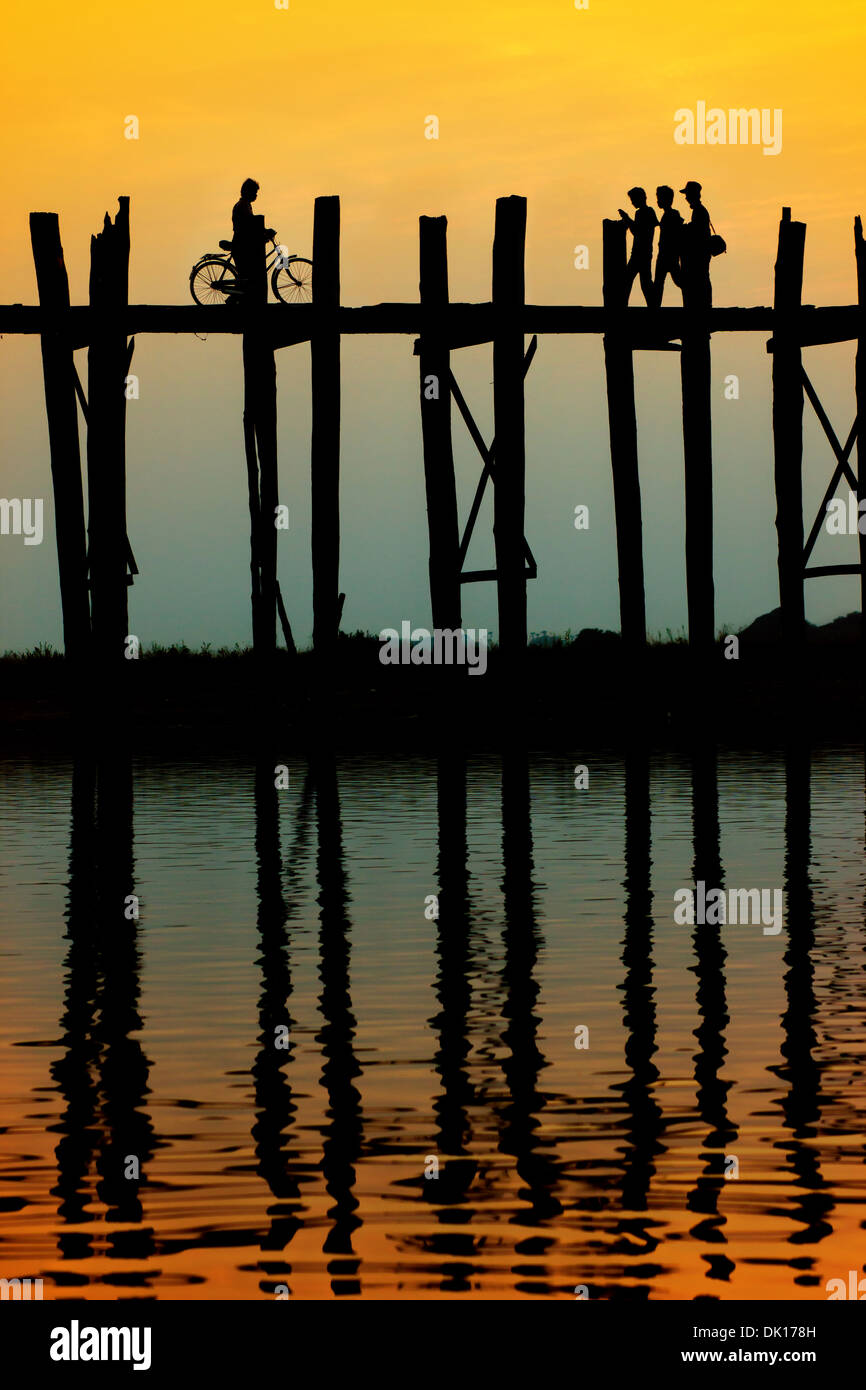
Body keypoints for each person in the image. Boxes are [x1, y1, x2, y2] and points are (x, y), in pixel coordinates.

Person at [230, 179, 276, 299]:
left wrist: (264, 231)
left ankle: (234, 299)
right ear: (247, 192)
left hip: (242, 244)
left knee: (245, 276)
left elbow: (252, 225)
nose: (256, 195)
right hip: (241, 245)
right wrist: (265, 232)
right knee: (246, 276)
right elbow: (251, 225)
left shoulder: (245, 205)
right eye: (254, 192)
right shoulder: (243, 206)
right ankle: (233, 299)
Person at [618, 187, 658, 305]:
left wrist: (627, 218)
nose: (632, 202)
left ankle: (651, 305)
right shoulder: (644, 212)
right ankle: (652, 305)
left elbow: (637, 231)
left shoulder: (646, 212)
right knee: (643, 282)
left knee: (631, 281)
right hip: (642, 253)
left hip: (641, 254)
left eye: (633, 199)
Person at [679, 181, 712, 310]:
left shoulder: (699, 211)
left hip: (698, 254)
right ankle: (703, 305)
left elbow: (696, 232)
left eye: (687, 194)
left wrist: (683, 228)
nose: (686, 198)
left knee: (699, 280)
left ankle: (702, 306)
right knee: (701, 279)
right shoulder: (700, 210)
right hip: (701, 254)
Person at [652, 186, 683, 307]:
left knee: (665, 282)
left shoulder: (672, 215)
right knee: (661, 283)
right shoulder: (669, 214)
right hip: (667, 255)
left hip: (668, 255)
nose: (658, 201)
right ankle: (655, 306)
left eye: (659, 198)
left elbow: (675, 235)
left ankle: (655, 307)